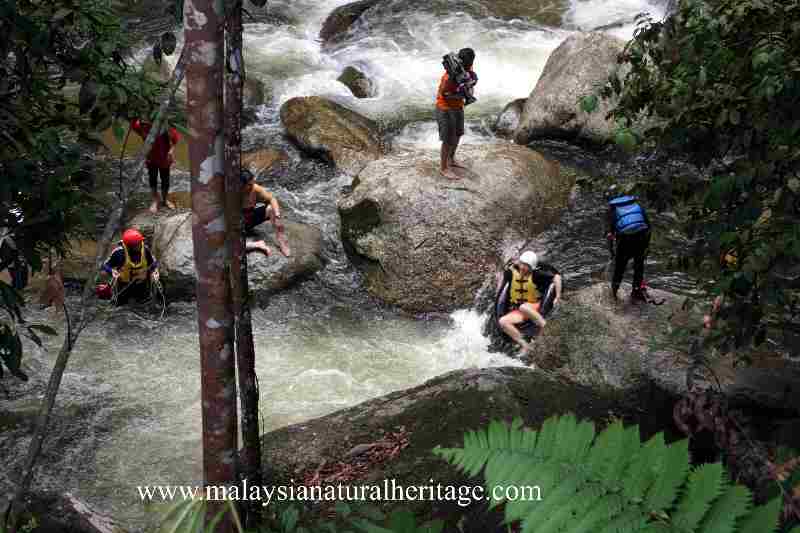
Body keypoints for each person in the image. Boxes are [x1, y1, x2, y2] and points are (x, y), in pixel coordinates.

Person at [497, 251, 562, 357]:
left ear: (531, 268)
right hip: (519, 309)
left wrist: (557, 296)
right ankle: (525, 345)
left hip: (534, 305)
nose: (523, 267)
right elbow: (502, 281)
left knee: (523, 307)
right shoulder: (511, 272)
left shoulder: (537, 275)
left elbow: (557, 277)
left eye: (526, 266)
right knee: (503, 321)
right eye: (522, 264)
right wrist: (498, 294)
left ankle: (545, 326)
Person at [435, 47, 477, 180]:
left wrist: (470, 89)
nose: (470, 65)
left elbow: (470, 82)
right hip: (445, 108)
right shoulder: (450, 76)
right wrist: (462, 96)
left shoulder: (467, 68)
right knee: (448, 139)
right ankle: (443, 168)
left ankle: (451, 159)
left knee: (458, 134)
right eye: (469, 63)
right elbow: (445, 94)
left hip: (458, 107)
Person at [606, 185, 651, 303]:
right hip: (642, 237)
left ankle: (614, 294)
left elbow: (610, 234)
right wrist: (647, 246)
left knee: (619, 269)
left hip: (625, 240)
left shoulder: (613, 210)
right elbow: (648, 226)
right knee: (639, 265)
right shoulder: (637, 205)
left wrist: (611, 252)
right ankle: (636, 291)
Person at [130, 118, 181, 214]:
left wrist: (171, 152)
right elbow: (133, 123)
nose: (145, 123)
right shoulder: (141, 126)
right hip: (150, 158)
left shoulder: (164, 127)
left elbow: (175, 140)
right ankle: (155, 200)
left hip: (164, 159)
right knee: (152, 178)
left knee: (165, 180)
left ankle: (165, 200)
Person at [102, 228, 160, 306]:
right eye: (138, 244)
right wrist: (111, 271)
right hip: (123, 286)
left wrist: (155, 271)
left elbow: (153, 263)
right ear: (130, 246)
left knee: (142, 306)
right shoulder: (119, 252)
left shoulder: (145, 250)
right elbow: (105, 265)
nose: (141, 244)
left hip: (141, 285)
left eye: (140, 242)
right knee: (121, 307)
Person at [241, 170, 291, 257]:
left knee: (271, 209)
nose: (252, 186)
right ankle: (256, 244)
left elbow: (272, 199)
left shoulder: (255, 188)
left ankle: (282, 241)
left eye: (252, 183)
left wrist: (277, 214)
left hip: (249, 218)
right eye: (249, 185)